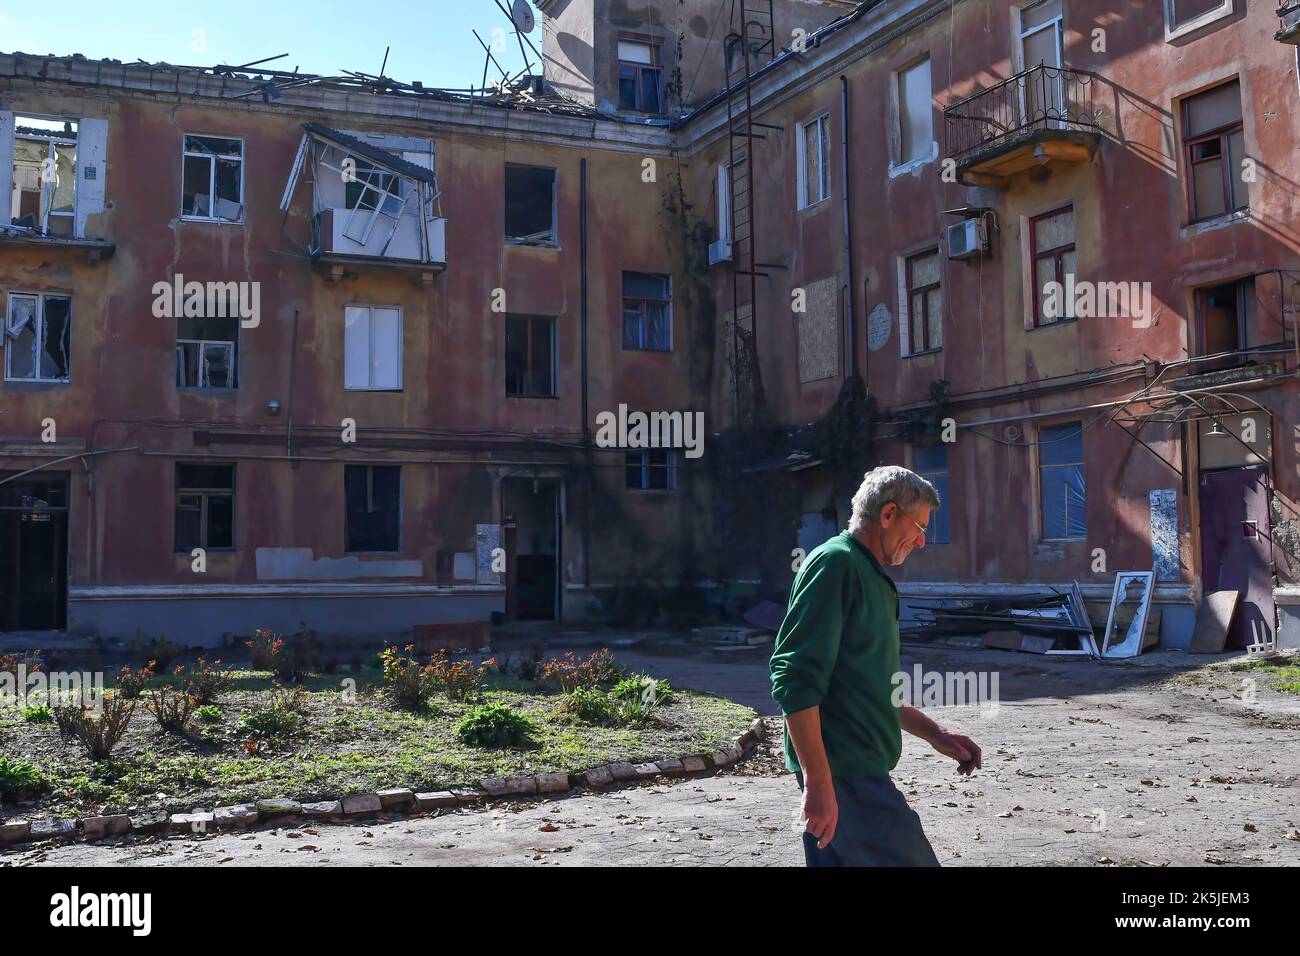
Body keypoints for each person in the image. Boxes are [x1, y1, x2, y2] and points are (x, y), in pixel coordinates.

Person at [769, 465, 982, 866]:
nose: (921, 541)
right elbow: (794, 678)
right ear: (887, 515)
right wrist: (818, 783)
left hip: (851, 774)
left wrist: (935, 734)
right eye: (918, 527)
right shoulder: (837, 565)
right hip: (847, 776)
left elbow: (872, 689)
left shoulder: (868, 574)